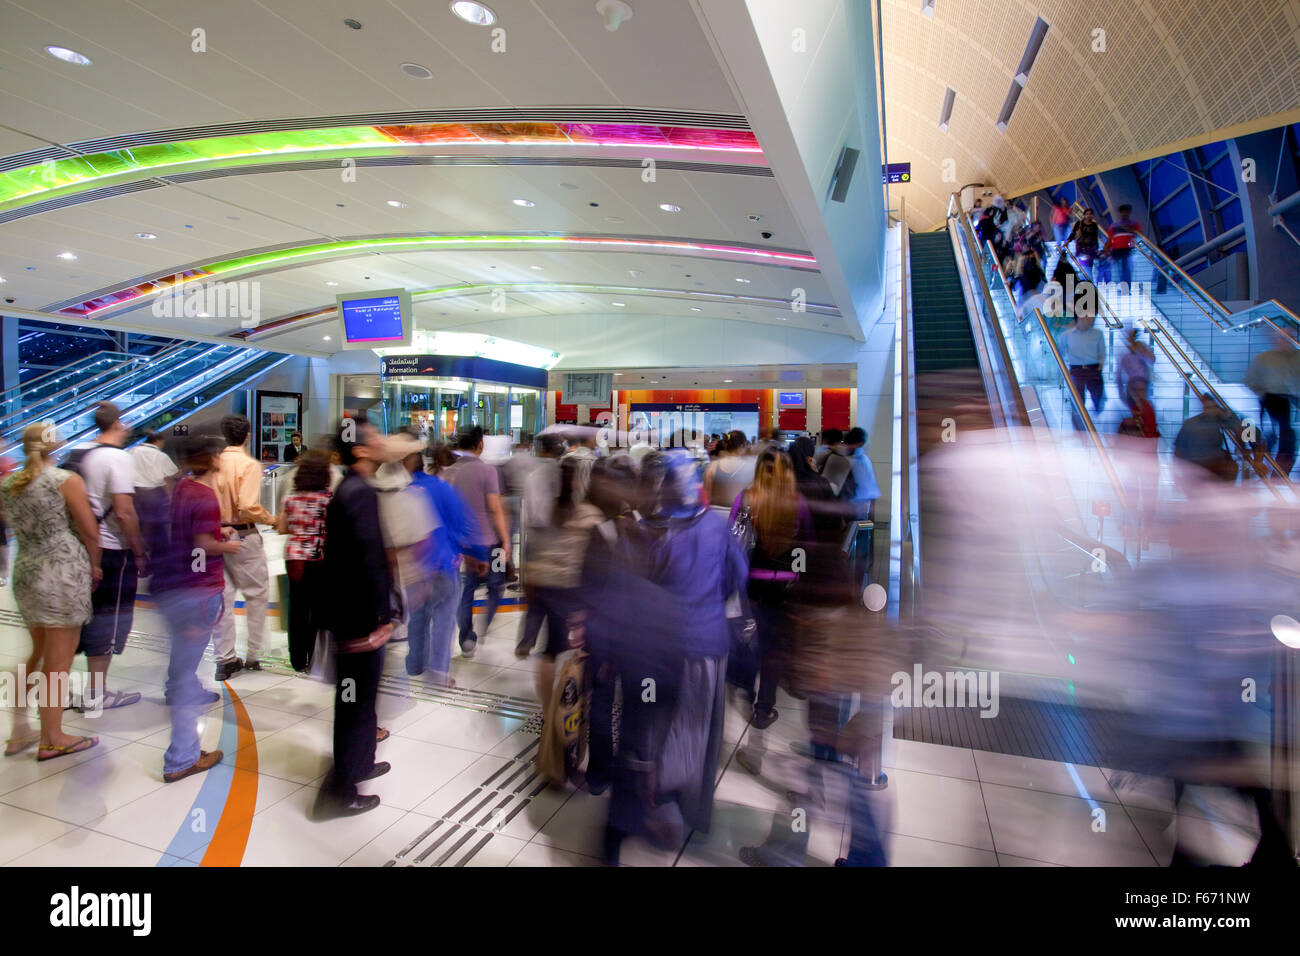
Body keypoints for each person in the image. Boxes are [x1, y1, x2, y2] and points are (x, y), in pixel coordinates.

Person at [594, 450, 747, 865]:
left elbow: (626, 594)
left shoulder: (647, 532)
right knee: (697, 732)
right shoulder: (716, 527)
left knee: (649, 734)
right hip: (706, 647)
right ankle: (682, 809)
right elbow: (737, 578)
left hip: (655, 651)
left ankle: (644, 805)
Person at [1, 423, 101, 761]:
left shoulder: (8, 484)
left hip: (26, 569)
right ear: (55, 445)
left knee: (36, 653)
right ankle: (53, 737)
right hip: (61, 570)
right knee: (58, 661)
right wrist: (96, 565)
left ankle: (19, 731)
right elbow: (89, 531)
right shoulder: (64, 480)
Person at [316, 419, 394, 817]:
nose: (382, 441)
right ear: (360, 450)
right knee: (353, 701)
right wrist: (382, 616)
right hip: (358, 620)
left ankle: (361, 761)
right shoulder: (358, 492)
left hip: (353, 615)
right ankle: (339, 791)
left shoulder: (352, 488)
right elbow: (369, 560)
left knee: (361, 699)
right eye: (375, 437)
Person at [153, 435, 242, 782]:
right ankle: (182, 756)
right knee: (185, 678)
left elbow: (187, 534)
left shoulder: (178, 488)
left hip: (173, 588)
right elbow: (202, 545)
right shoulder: (205, 495)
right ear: (211, 458)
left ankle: (184, 750)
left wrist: (216, 532)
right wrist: (228, 545)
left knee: (180, 672)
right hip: (198, 590)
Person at [729, 447, 811, 734]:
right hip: (783, 586)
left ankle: (745, 691)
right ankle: (764, 709)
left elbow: (732, 542)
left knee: (750, 640)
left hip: (751, 581)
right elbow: (806, 545)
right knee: (773, 650)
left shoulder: (746, 499)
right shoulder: (798, 503)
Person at [75, 401, 145, 711]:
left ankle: (80, 691)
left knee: (85, 617)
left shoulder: (82, 454)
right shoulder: (118, 457)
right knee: (109, 619)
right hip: (112, 548)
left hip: (83, 546)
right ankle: (97, 691)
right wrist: (139, 549)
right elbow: (124, 509)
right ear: (118, 423)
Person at [521, 455, 603, 712]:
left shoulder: (547, 510)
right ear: (579, 480)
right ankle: (573, 706)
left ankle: (547, 710)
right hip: (570, 587)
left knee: (549, 651)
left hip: (544, 584)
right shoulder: (589, 515)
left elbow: (532, 546)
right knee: (578, 649)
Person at [405, 440, 480, 685]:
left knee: (418, 616)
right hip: (443, 563)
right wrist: (470, 552)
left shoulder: (406, 488)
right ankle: (438, 672)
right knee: (444, 618)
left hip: (414, 567)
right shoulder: (442, 488)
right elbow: (461, 523)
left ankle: (415, 665)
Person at [213, 414, 274, 680]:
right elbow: (248, 505)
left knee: (222, 599)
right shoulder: (249, 465)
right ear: (248, 436)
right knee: (256, 595)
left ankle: (225, 659)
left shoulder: (214, 463)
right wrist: (272, 519)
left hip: (216, 537)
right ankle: (253, 655)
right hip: (243, 536)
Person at [443, 426, 510, 659]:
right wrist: (507, 540)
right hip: (486, 542)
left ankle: (466, 638)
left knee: (466, 592)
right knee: (496, 586)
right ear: (480, 445)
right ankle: (483, 627)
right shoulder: (487, 471)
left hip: (459, 545)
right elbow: (495, 508)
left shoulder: (449, 473)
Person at [275, 449, 332, 672]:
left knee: (297, 607)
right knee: (317, 608)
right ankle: (315, 656)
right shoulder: (327, 498)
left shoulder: (291, 498)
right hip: (319, 555)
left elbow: (282, 528)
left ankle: (298, 658)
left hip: (294, 556)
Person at [515, 433, 565, 657]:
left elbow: (529, 514)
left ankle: (527, 640)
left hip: (536, 540)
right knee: (558, 595)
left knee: (535, 597)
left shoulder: (533, 476)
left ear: (541, 449)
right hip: (560, 541)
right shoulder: (565, 473)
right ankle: (555, 645)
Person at [1243, 331, 1300, 476]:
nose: (1285, 341)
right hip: (1271, 398)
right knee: (1275, 432)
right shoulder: (1265, 358)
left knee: (1285, 433)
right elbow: (1250, 379)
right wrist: (1261, 392)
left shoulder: (1297, 357)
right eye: (1282, 338)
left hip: (1290, 399)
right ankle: (1264, 462)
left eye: (1289, 337)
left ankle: (1281, 468)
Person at [130, 430, 176, 567]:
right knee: (158, 532)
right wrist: (170, 499)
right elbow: (168, 479)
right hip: (155, 496)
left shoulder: (131, 452)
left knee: (140, 529)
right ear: (158, 441)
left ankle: (141, 559)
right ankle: (160, 565)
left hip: (135, 495)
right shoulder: (160, 455)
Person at [1174, 393, 1238, 484]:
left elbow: (1178, 451)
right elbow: (1238, 426)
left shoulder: (1191, 423)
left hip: (1195, 468)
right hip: (1211, 466)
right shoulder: (1215, 422)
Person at [1060, 309, 1107, 421]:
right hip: (1077, 370)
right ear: (1080, 317)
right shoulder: (1067, 335)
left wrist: (1099, 367)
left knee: (1097, 398)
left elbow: (1102, 352)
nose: (1091, 319)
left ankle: (1097, 422)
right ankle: (1077, 424)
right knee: (1077, 400)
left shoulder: (1097, 333)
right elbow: (1061, 353)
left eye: (1093, 317)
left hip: (1094, 369)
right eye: (1088, 317)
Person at [703, 430, 755, 510]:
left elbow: (706, 497)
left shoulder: (712, 466)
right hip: (738, 517)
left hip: (716, 516)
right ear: (743, 445)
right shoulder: (750, 467)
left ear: (725, 444)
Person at [1104, 203, 1144, 291]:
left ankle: (1126, 288)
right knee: (1118, 269)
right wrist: (1107, 249)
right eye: (1123, 212)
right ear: (1120, 213)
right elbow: (1110, 238)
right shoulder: (1114, 226)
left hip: (1128, 249)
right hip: (1116, 249)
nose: (1124, 214)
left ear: (1129, 213)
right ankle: (1120, 286)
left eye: (1126, 212)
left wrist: (1130, 230)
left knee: (1126, 268)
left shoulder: (1134, 224)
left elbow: (1140, 235)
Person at [1115, 327, 1156, 412]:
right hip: (1132, 382)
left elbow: (1151, 360)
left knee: (1141, 406)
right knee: (1134, 406)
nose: (1131, 338)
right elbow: (1119, 373)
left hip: (1141, 381)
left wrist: (1138, 350)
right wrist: (1120, 390)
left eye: (1132, 336)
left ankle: (1142, 418)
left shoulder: (1140, 347)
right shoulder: (1123, 351)